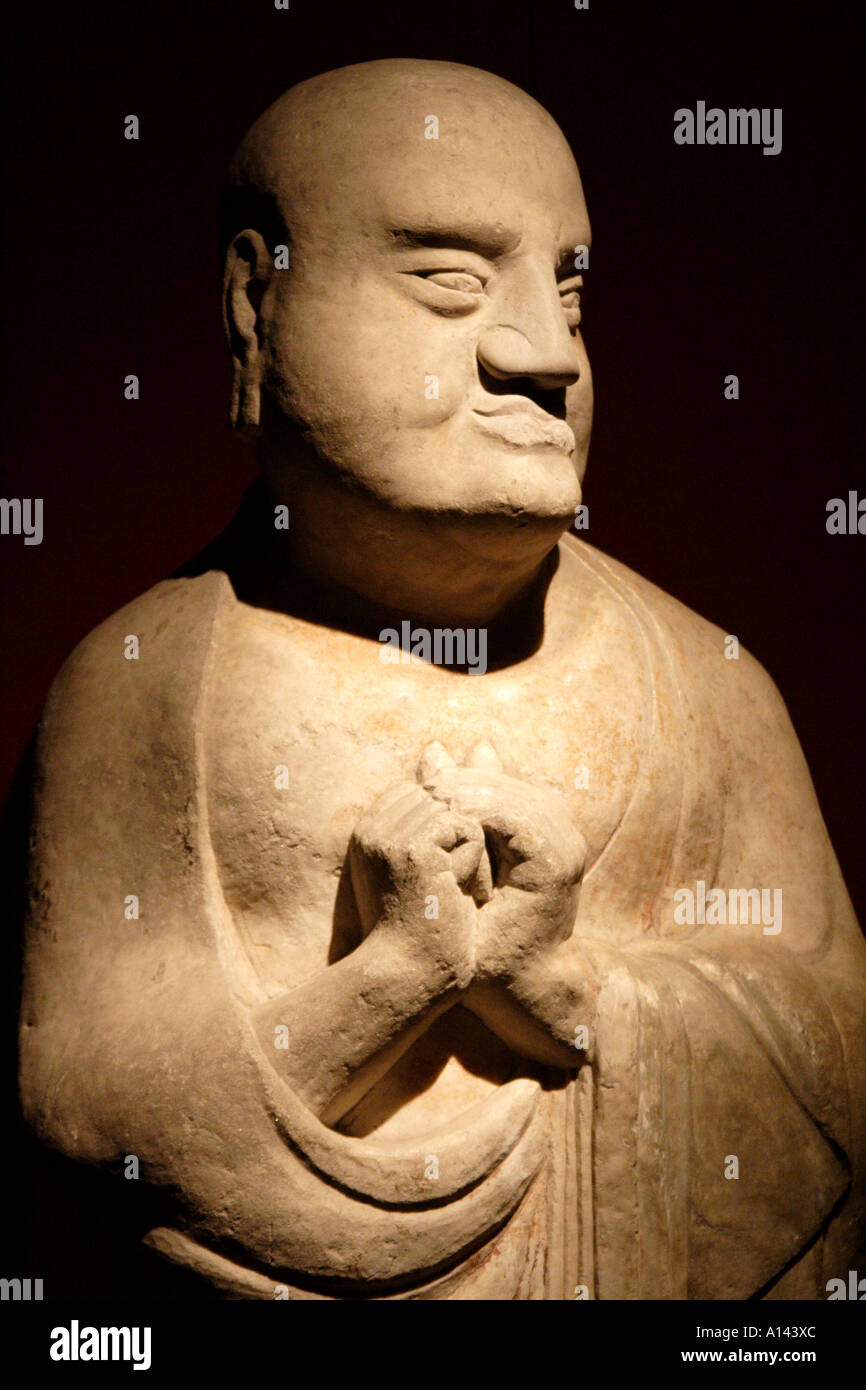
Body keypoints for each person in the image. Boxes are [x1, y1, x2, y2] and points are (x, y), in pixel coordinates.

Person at [19, 58, 866, 1300]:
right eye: (451, 282)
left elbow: (835, 1063)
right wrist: (394, 980)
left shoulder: (707, 686)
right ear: (257, 307)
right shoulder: (142, 687)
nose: (541, 356)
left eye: (569, 297)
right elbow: (92, 1122)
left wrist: (561, 986)